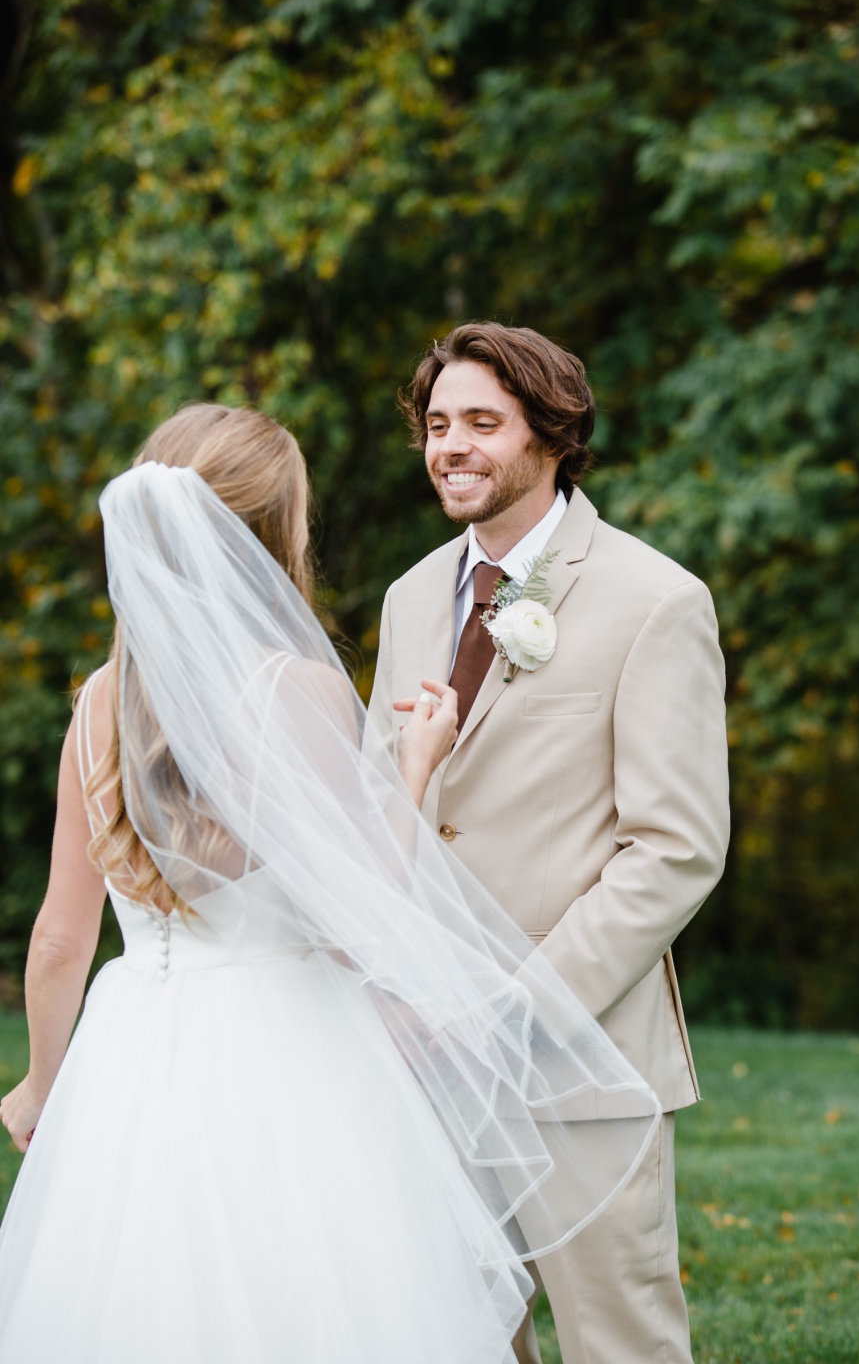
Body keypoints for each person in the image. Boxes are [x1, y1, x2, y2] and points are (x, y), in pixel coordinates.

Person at [0, 403, 661, 1360]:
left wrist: (42, 1083)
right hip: (286, 1050)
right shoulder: (292, 688)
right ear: (270, 534)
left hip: (130, 1052)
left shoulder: (101, 702)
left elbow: (61, 939)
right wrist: (413, 770)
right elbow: (363, 912)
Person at [366, 323, 729, 1364]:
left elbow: (675, 848)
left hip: (579, 1054)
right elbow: (384, 806)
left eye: (483, 422)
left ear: (552, 435)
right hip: (421, 1052)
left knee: (620, 1343)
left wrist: (516, 1012)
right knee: (457, 1340)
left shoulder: (655, 599)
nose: (451, 446)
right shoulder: (408, 596)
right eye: (438, 424)